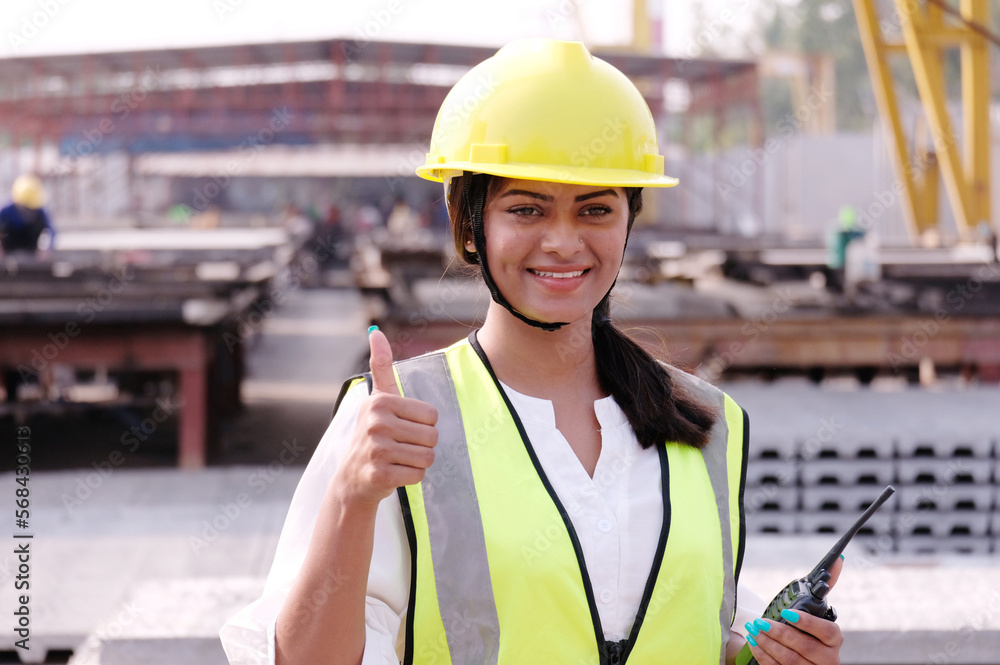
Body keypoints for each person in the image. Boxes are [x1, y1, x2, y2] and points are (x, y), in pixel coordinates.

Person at [220, 39, 844, 665]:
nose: (564, 242)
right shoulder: (393, 420)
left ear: (630, 221)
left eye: (596, 209)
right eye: (527, 209)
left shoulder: (708, 422)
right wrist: (349, 500)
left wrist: (766, 656)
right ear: (469, 226)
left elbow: (689, 632)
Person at [0, 174, 55, 256]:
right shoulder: (5, 211)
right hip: (9, 248)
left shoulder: (39, 211)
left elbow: (52, 231)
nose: (29, 211)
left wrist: (47, 248)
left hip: (31, 249)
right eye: (26, 208)